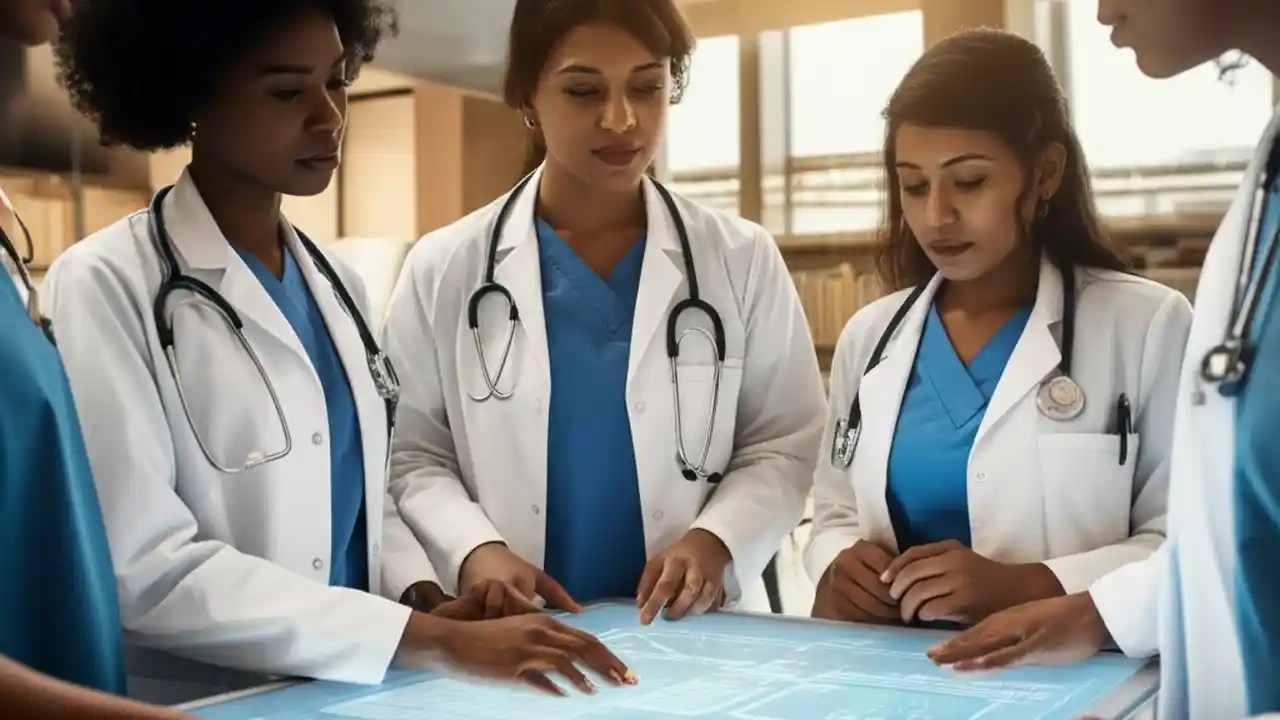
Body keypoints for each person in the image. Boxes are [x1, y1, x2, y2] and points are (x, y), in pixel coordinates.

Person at [43, 0, 631, 705]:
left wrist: (421, 599)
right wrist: (430, 641)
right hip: (211, 698)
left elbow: (360, 494)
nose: (328, 116)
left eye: (338, 81)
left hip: (348, 686)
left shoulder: (337, 286)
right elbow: (144, 568)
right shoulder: (109, 283)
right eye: (288, 91)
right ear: (191, 94)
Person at [381, 0, 825, 625]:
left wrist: (714, 540)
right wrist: (474, 550)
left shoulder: (739, 258)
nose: (621, 120)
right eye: (583, 90)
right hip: (514, 626)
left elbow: (783, 440)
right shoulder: (445, 267)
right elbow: (412, 452)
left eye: (645, 88)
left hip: (688, 628)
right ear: (526, 99)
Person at [926, 4, 1280, 718]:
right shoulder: (1266, 175)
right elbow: (1232, 529)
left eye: (968, 182)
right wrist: (1093, 614)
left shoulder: (1145, 317)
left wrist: (1054, 593)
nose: (1101, 9)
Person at [804, 29, 1191, 633]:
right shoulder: (872, 335)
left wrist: (1028, 585)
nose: (937, 216)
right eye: (914, 185)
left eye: (969, 182)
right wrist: (835, 565)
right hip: (890, 672)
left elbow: (1187, 541)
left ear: (1044, 174)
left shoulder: (1147, 326)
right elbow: (831, 513)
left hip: (1069, 680)